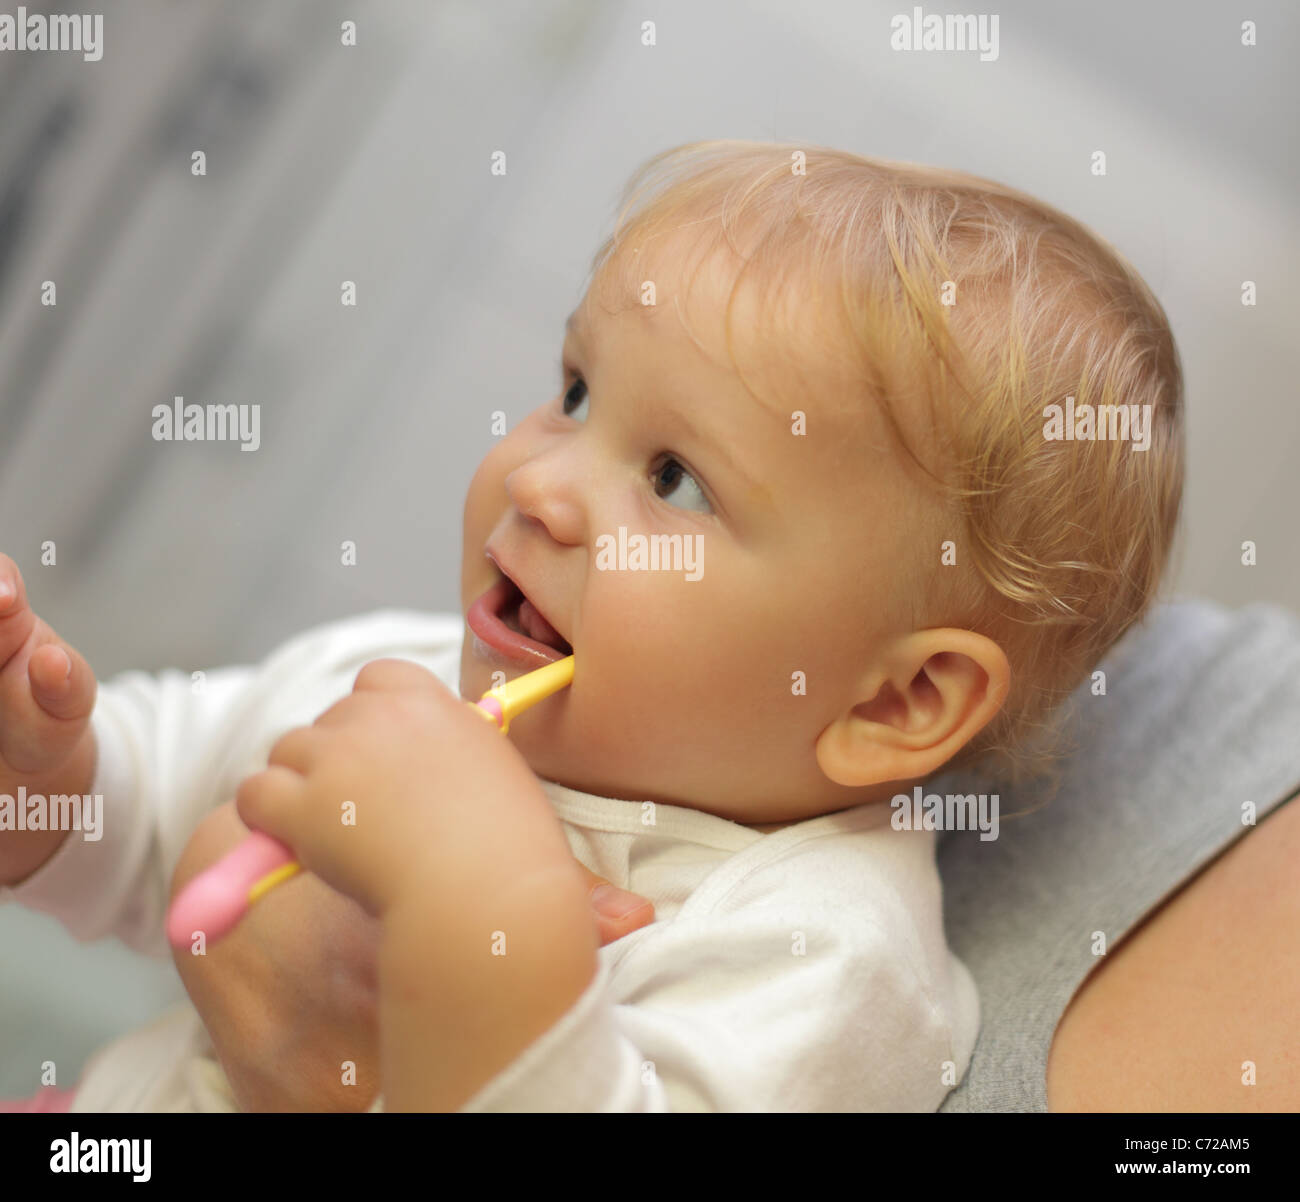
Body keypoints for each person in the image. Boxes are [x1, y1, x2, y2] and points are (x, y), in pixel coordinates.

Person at [0, 140, 1187, 1110]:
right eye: (574, 392)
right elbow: (148, 819)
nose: (541, 483)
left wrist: (478, 897)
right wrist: (50, 777)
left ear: (894, 702)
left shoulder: (818, 954)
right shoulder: (407, 679)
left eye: (674, 478)